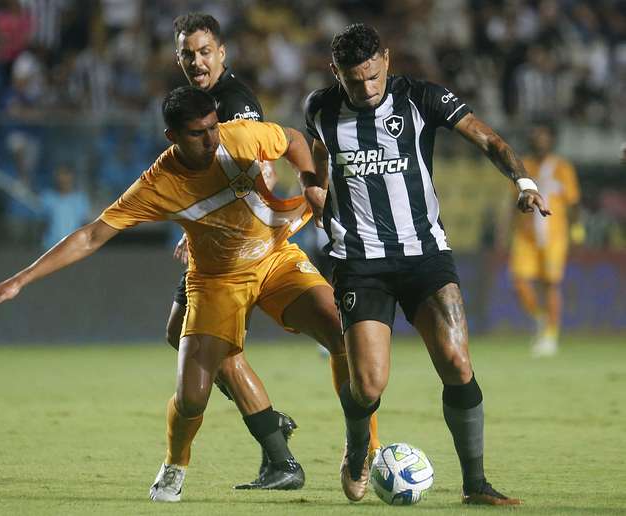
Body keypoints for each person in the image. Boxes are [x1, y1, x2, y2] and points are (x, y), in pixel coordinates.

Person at [0, 86, 364, 502]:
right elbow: (91, 236)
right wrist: (20, 279)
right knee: (192, 398)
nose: (212, 139)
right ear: (171, 136)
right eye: (198, 133)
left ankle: (361, 450)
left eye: (213, 127)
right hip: (217, 282)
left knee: (342, 331)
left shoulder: (240, 136)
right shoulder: (160, 184)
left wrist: (311, 183)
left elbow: (294, 140)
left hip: (275, 258)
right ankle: (175, 465)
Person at [302, 24, 552, 505]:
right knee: (369, 383)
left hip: (426, 255)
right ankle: (357, 451)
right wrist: (315, 184)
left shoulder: (421, 98)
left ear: (387, 61)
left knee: (458, 364)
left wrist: (522, 183)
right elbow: (317, 152)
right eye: (355, 82)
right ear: (337, 74)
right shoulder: (321, 108)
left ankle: (475, 485)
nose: (368, 89)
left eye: (374, 77)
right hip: (361, 262)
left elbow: (488, 139)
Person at [167, 13, 380, 490]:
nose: (197, 61)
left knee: (336, 332)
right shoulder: (194, 104)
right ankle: (274, 444)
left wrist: (222, 207)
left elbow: (260, 166)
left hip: (251, 245)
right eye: (188, 54)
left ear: (222, 53)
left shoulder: (234, 104)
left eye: (204, 51)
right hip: (216, 249)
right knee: (180, 336)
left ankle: (360, 447)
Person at [509, 121, 580, 356]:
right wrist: (506, 228)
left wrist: (576, 229)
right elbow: (514, 202)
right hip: (525, 235)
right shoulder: (524, 166)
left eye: (544, 136)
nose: (539, 140)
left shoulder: (562, 168)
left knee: (550, 284)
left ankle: (551, 335)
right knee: (519, 281)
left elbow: (572, 203)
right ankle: (540, 318)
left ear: (552, 139)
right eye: (536, 135)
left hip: (554, 234)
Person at [40, 165, 91, 250]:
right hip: (50, 247)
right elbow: (41, 223)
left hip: (74, 248)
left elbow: (84, 223)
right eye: (60, 175)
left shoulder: (80, 199)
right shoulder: (47, 197)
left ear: (72, 177)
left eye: (66, 175)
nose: (63, 179)